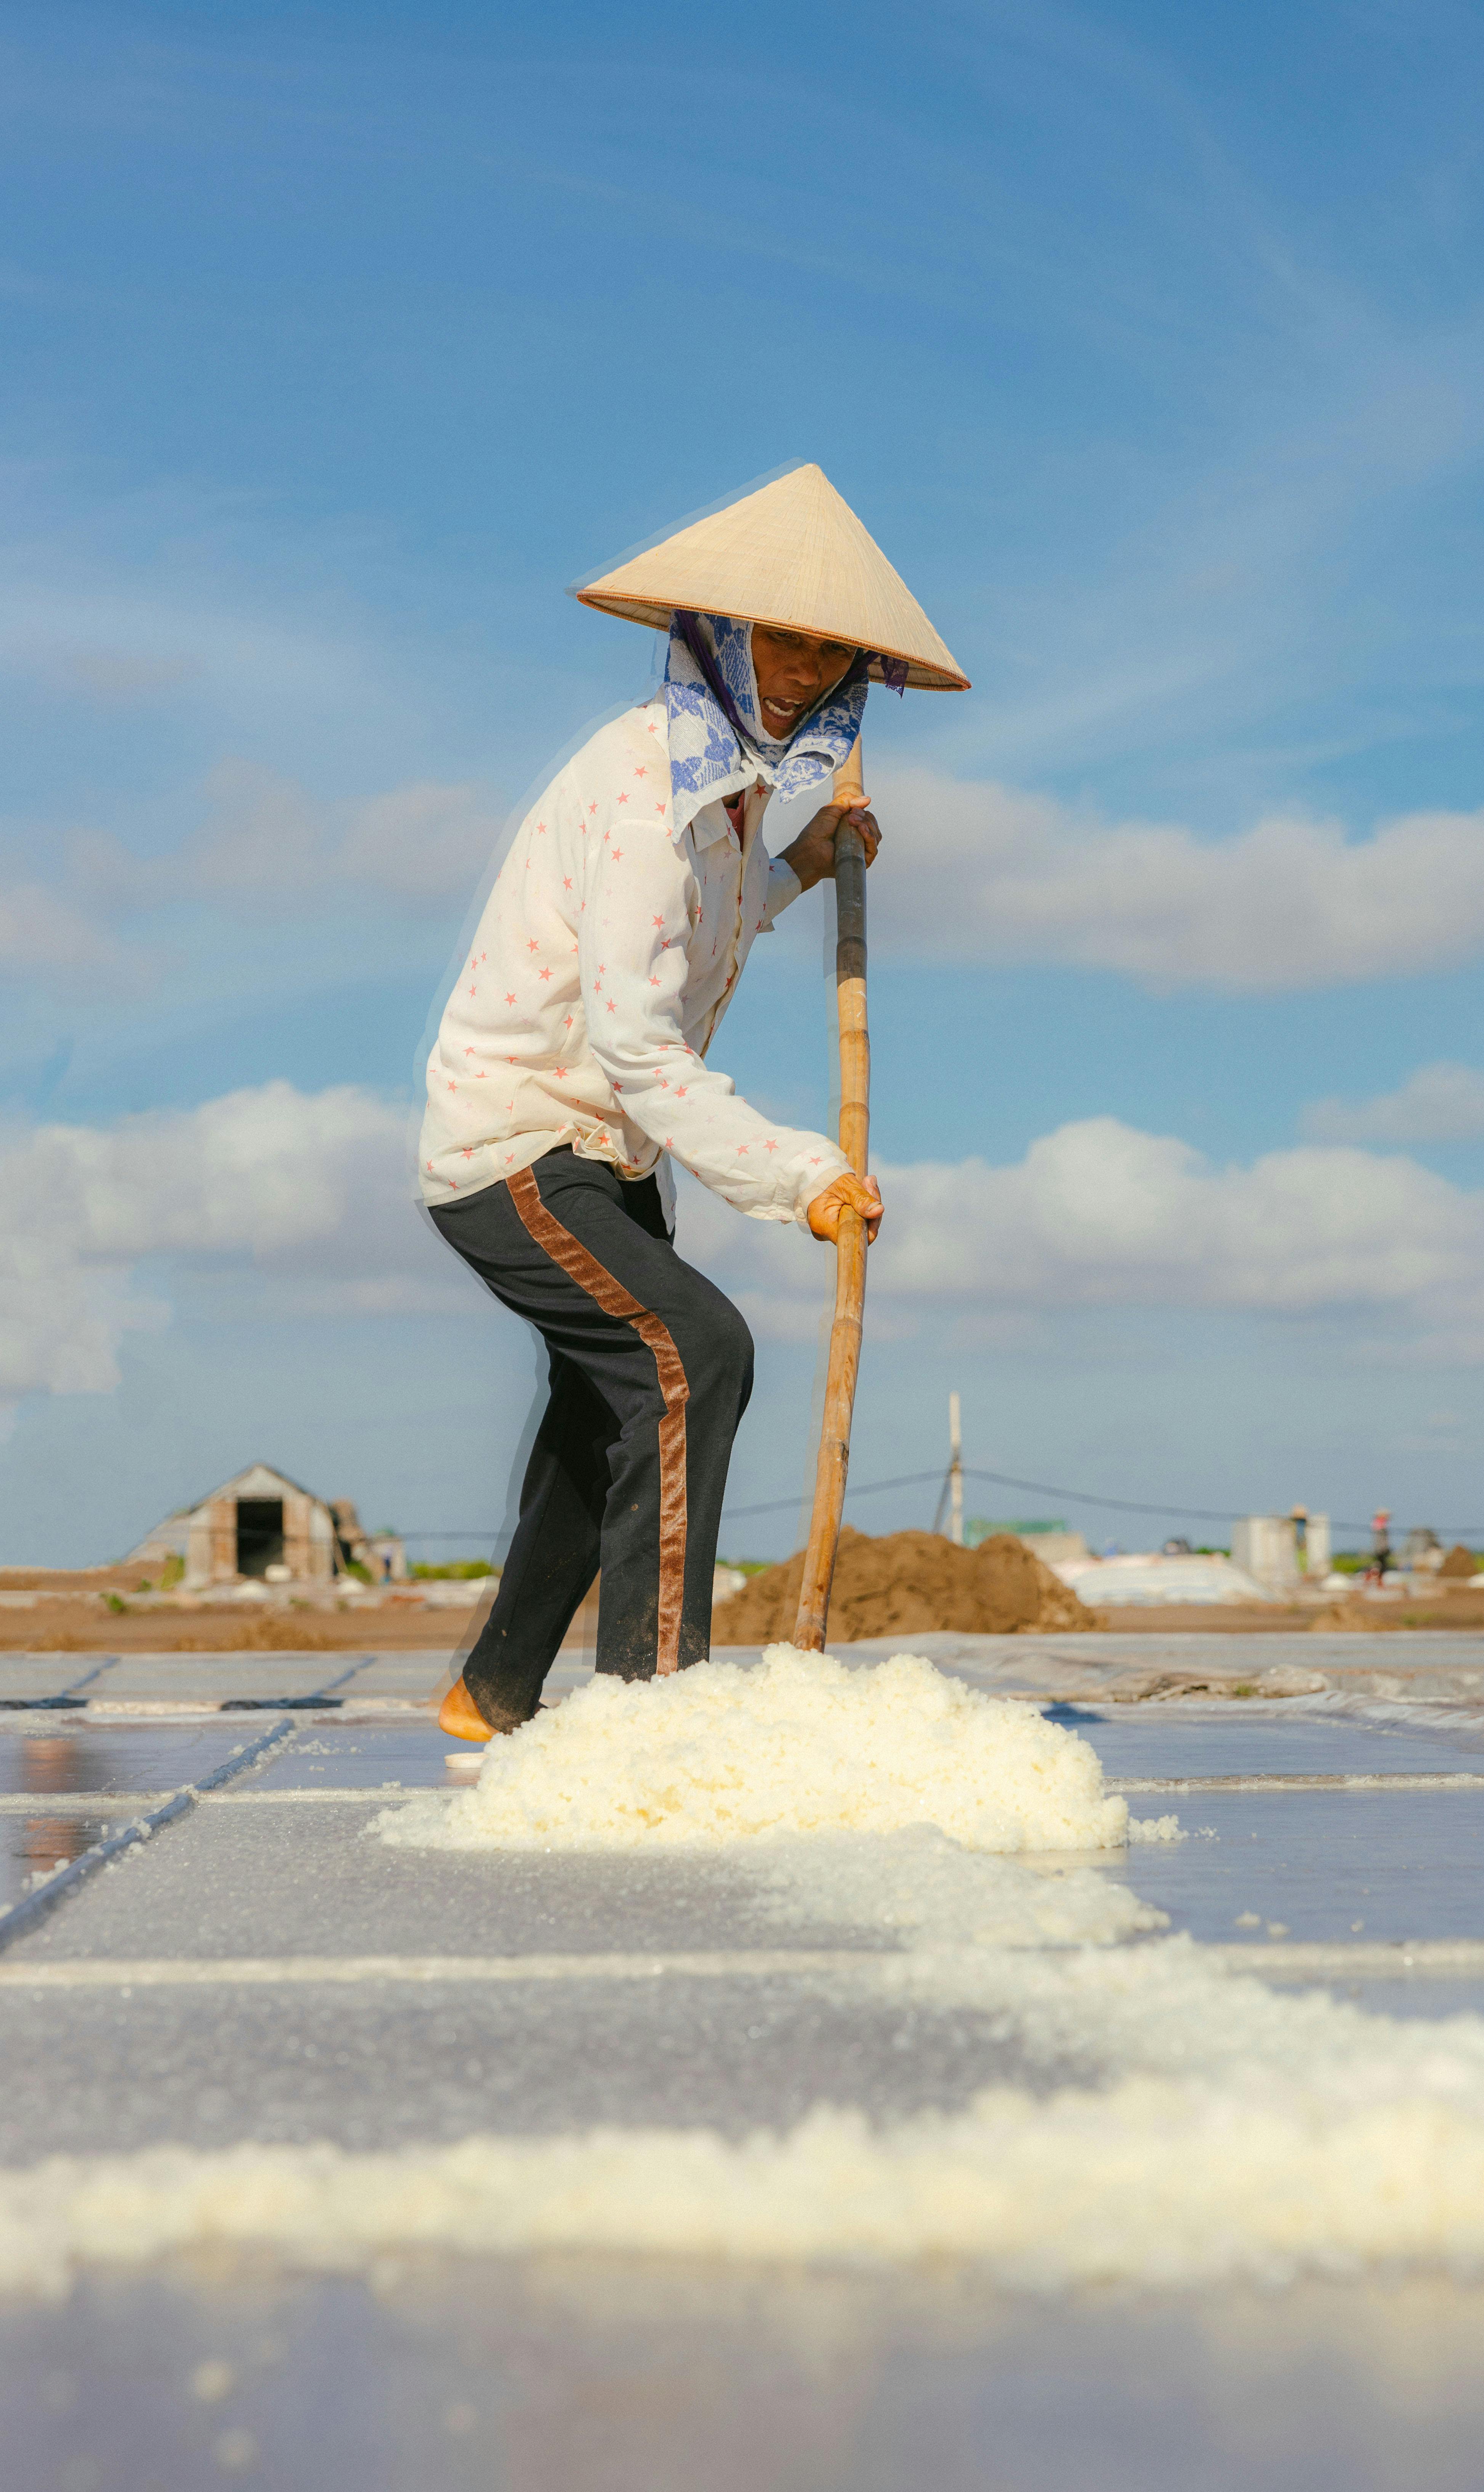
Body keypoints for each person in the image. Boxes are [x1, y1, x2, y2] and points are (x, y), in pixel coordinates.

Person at [421, 465, 968, 1739]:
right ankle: (654, 1716)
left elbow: (694, 939)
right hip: (515, 1143)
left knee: (603, 1410)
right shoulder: (640, 784)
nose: (798, 669)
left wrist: (796, 865)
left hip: (598, 1159)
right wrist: (802, 1177)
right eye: (780, 636)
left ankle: (490, 1692)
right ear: (717, 635)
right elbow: (634, 1043)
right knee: (694, 1353)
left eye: (828, 650)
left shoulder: (722, 803)